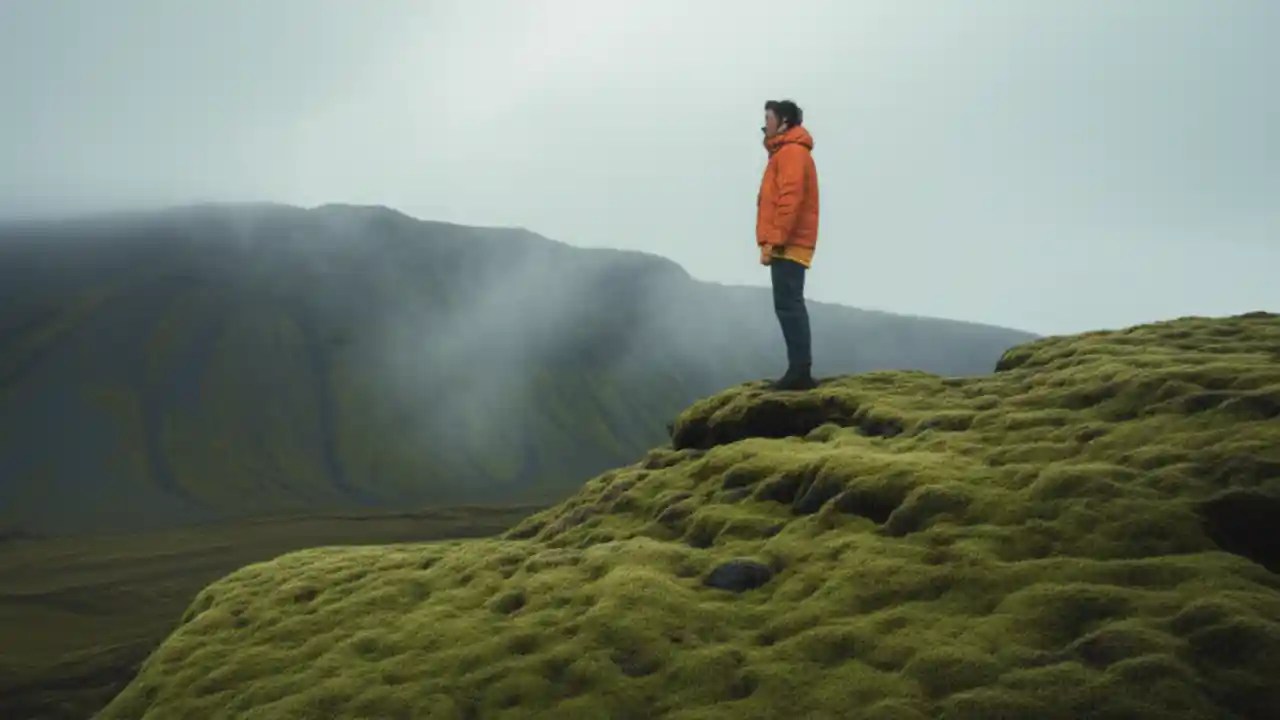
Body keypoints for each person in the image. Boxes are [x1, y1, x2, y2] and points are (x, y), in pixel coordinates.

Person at [757, 99, 819, 390]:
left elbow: (790, 199)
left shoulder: (791, 153)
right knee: (788, 304)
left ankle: (799, 372)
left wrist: (775, 240)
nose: (764, 123)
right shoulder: (785, 153)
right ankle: (798, 369)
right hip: (788, 241)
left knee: (789, 304)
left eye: (768, 117)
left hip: (789, 242)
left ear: (784, 122)